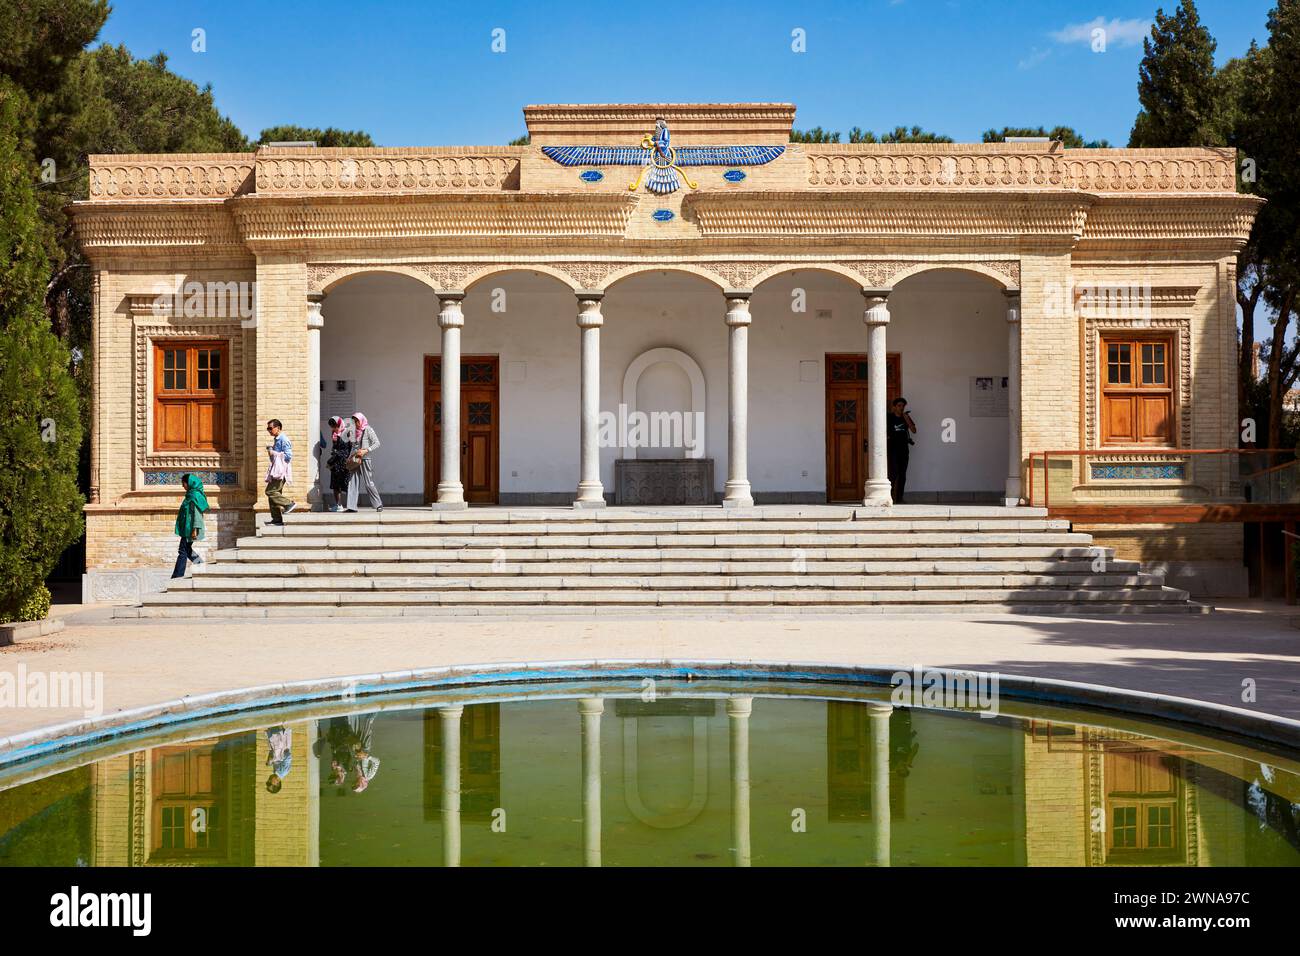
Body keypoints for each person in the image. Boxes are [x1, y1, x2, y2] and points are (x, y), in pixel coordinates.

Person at [171, 473, 208, 578]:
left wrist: (195, 529)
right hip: (187, 528)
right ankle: (201, 565)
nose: (183, 486)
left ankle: (177, 576)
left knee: (182, 551)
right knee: (186, 550)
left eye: (184, 483)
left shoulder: (194, 496)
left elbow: (196, 514)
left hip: (190, 529)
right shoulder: (190, 495)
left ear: (189, 483)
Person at [345, 412, 383, 512]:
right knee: (352, 482)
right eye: (354, 421)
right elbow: (353, 446)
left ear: (361, 420)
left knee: (368, 482)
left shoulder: (368, 429)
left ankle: (378, 504)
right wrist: (349, 457)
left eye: (357, 421)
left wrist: (366, 450)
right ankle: (351, 507)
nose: (355, 423)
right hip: (355, 459)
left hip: (365, 459)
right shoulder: (353, 431)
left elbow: (377, 443)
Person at [264, 419, 297, 524]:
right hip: (275, 470)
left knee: (270, 492)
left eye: (270, 428)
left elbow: (288, 456)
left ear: (278, 428)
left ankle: (288, 504)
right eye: (268, 428)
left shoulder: (284, 439)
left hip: (280, 471)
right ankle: (277, 519)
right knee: (273, 496)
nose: (269, 430)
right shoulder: (277, 439)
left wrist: (273, 452)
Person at [319, 416, 354, 512]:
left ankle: (351, 505)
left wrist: (349, 458)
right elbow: (334, 447)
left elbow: (351, 447)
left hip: (344, 461)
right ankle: (339, 505)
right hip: (336, 461)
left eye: (335, 426)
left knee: (346, 484)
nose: (334, 428)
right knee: (335, 484)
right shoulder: (334, 433)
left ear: (339, 423)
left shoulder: (347, 432)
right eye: (332, 426)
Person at [886, 397, 917, 504]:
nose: (901, 408)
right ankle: (888, 497)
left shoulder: (906, 417)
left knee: (902, 474)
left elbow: (914, 430)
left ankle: (899, 498)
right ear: (894, 407)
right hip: (892, 449)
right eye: (899, 406)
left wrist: (906, 418)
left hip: (904, 450)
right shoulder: (889, 417)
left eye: (903, 406)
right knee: (893, 473)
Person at [265, 725, 293, 794]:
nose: (268, 781)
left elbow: (273, 755)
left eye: (267, 783)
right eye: (269, 783)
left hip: (275, 739)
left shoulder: (276, 771)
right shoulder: (283, 772)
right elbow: (288, 756)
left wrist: (270, 761)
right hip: (281, 738)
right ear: (276, 783)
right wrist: (277, 756)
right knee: (277, 721)